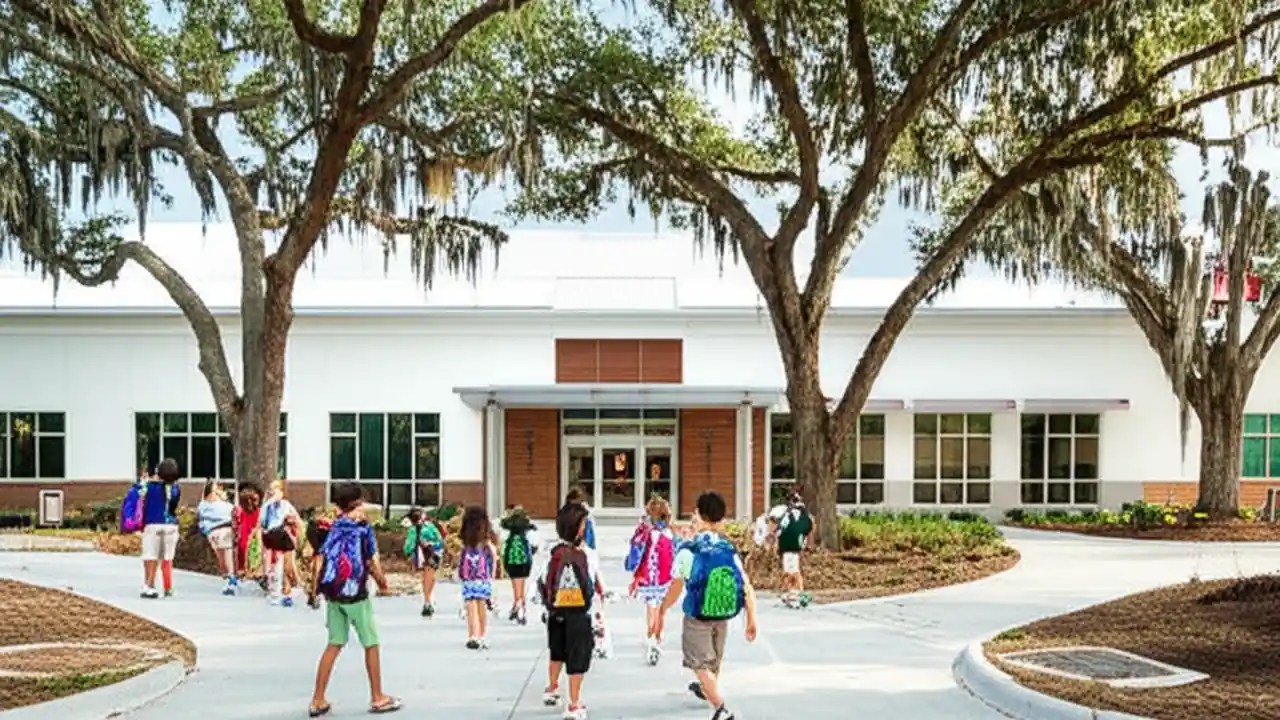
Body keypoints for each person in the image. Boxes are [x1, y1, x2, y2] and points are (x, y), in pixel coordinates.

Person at [652, 491, 758, 720]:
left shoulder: (690, 550)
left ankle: (721, 708)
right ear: (721, 519)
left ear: (698, 515)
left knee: (699, 663)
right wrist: (751, 617)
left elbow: (676, 586)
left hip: (697, 615)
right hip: (723, 614)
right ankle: (708, 691)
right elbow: (746, 586)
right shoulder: (728, 550)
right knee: (713, 662)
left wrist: (662, 609)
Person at [308, 482, 400, 717]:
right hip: (356, 594)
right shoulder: (362, 528)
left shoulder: (332, 527)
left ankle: (317, 699)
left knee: (334, 643)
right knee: (371, 643)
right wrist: (383, 584)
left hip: (334, 594)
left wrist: (314, 590)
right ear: (357, 503)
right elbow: (370, 561)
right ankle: (378, 697)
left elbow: (320, 559)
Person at [539, 502, 600, 720]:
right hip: (578, 615)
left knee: (557, 652)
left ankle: (553, 687)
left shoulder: (552, 552)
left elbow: (542, 581)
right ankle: (574, 704)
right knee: (577, 658)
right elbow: (592, 584)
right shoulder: (585, 554)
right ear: (577, 528)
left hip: (556, 613)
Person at [628, 496, 677, 665]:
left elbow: (636, 548)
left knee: (651, 607)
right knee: (661, 610)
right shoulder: (669, 534)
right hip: (665, 577)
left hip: (648, 575)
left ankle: (651, 637)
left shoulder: (646, 532)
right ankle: (656, 637)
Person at [139, 458, 183, 599]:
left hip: (153, 524)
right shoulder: (176, 488)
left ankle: (149, 585)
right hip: (170, 525)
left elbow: (138, 495)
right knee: (166, 557)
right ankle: (167, 587)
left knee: (151, 555)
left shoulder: (149, 487)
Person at [458, 505, 497, 649]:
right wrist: (491, 577)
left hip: (469, 578)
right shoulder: (486, 544)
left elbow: (461, 562)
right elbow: (493, 559)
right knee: (481, 605)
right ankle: (481, 634)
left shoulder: (466, 545)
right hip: (483, 578)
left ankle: (472, 635)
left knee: (470, 605)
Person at [261, 479, 301, 606]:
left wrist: (292, 523)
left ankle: (287, 593)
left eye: (277, 488)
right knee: (274, 566)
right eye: (272, 489)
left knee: (288, 566)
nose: (274, 491)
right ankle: (274, 593)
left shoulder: (286, 505)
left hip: (285, 537)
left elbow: (297, 521)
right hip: (272, 538)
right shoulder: (267, 505)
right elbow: (263, 523)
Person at [196, 480, 237, 596]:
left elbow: (233, 514)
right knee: (221, 557)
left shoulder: (225, 504)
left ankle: (231, 577)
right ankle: (228, 576)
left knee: (226, 552)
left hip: (225, 529)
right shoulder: (204, 505)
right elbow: (202, 519)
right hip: (214, 531)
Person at [402, 507, 444, 617]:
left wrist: (431, 544)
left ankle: (428, 598)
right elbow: (409, 544)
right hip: (422, 554)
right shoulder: (415, 529)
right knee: (427, 575)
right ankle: (427, 601)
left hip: (432, 552)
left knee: (430, 576)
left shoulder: (428, 526)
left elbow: (439, 539)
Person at [499, 506, 538, 626]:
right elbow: (534, 545)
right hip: (524, 561)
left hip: (511, 561)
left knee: (515, 585)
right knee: (522, 585)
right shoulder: (528, 530)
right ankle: (521, 607)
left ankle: (517, 605)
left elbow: (502, 546)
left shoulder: (508, 531)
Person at [777, 491, 814, 608]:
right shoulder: (805, 517)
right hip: (795, 547)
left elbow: (781, 529)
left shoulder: (788, 515)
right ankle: (794, 591)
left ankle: (794, 592)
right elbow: (808, 529)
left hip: (788, 547)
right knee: (793, 570)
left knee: (790, 571)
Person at [232, 483, 264, 587]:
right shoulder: (243, 511)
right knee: (245, 548)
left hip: (248, 533)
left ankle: (246, 572)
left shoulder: (244, 511)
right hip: (247, 533)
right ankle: (248, 572)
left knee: (245, 549)